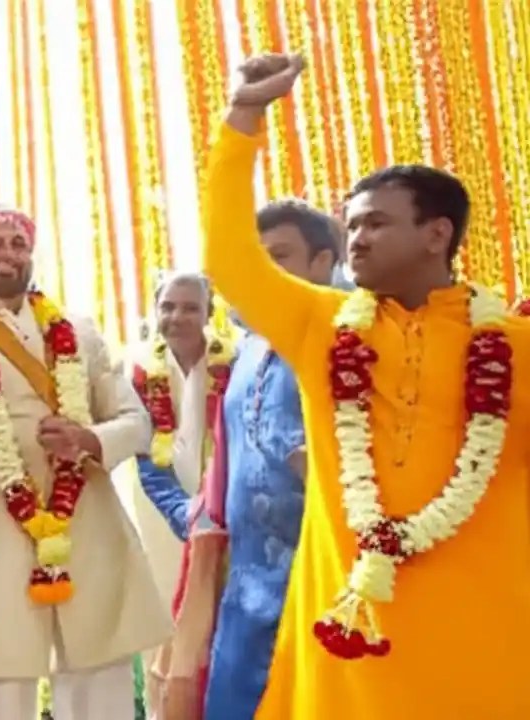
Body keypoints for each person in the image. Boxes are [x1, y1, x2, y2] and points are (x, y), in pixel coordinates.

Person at [205, 53, 530, 718]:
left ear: (437, 234)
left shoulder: (512, 347)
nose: (355, 239)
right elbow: (230, 258)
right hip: (355, 626)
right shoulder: (319, 324)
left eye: (376, 223)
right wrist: (243, 118)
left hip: (483, 621)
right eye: (351, 225)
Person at [0, 197, 167, 720]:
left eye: (18, 243)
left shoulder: (78, 332)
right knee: (2, 682)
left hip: (85, 520)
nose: (9, 253)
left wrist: (88, 439)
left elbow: (136, 422)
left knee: (99, 675)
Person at [141, 202, 338, 718]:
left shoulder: (345, 342)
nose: (261, 273)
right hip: (243, 591)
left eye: (279, 256)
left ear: (322, 262)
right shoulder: (250, 347)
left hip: (319, 582)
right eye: (255, 259)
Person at [129, 272, 233, 717]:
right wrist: (180, 511)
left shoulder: (233, 364)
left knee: (216, 623)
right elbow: (143, 452)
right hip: (162, 517)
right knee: (163, 620)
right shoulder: (137, 370)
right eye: (168, 307)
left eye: (191, 307)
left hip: (225, 515)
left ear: (210, 312)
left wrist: (212, 508)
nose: (178, 317)